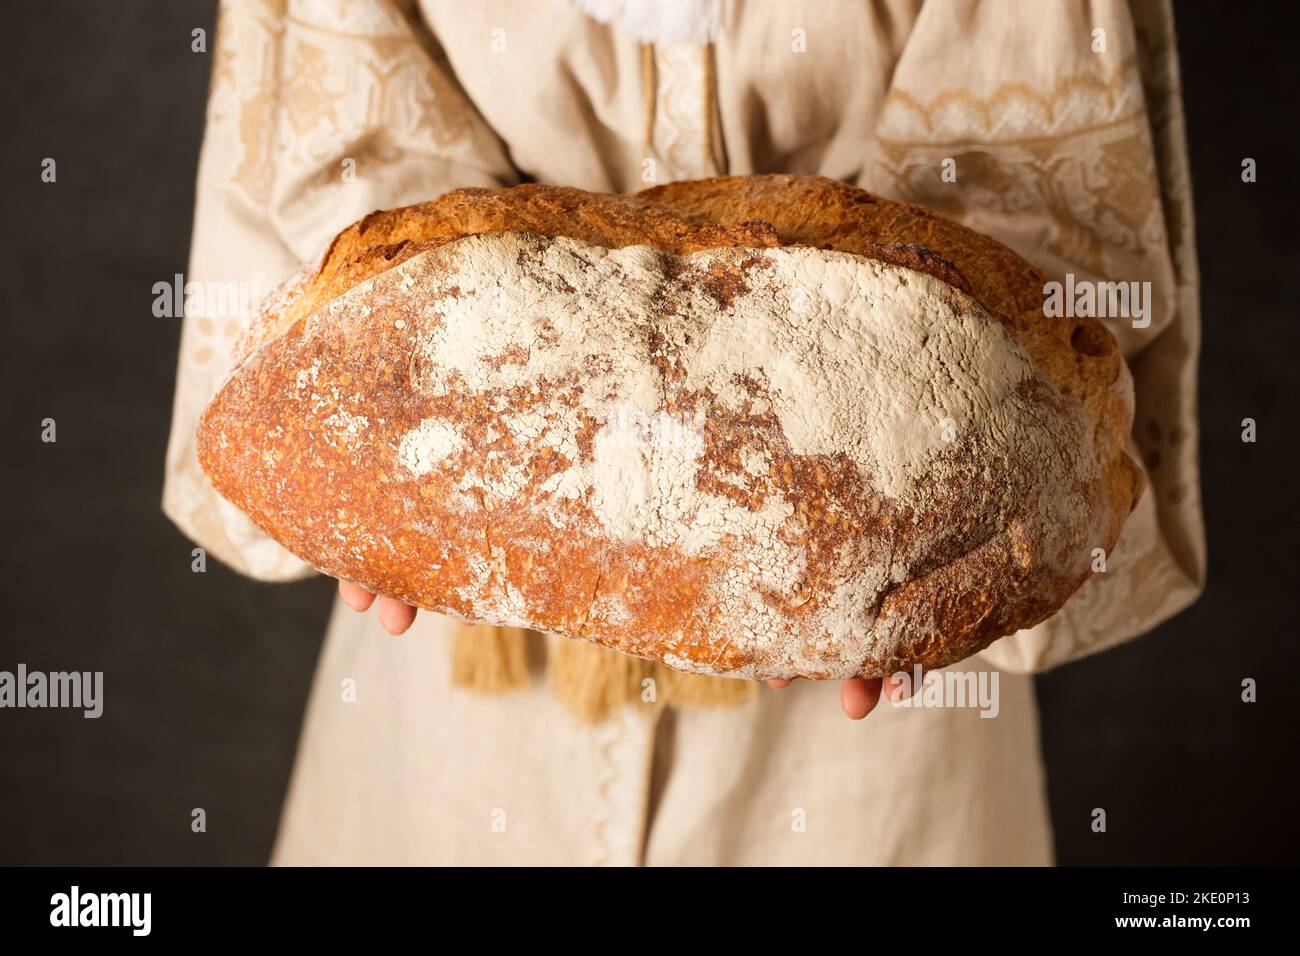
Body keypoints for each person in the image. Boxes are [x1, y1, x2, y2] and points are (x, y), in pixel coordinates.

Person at [164, 0, 1204, 865]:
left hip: (869, 720)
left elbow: (1046, 284)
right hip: (460, 674)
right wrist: (411, 421)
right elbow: (329, 158)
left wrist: (934, 501)